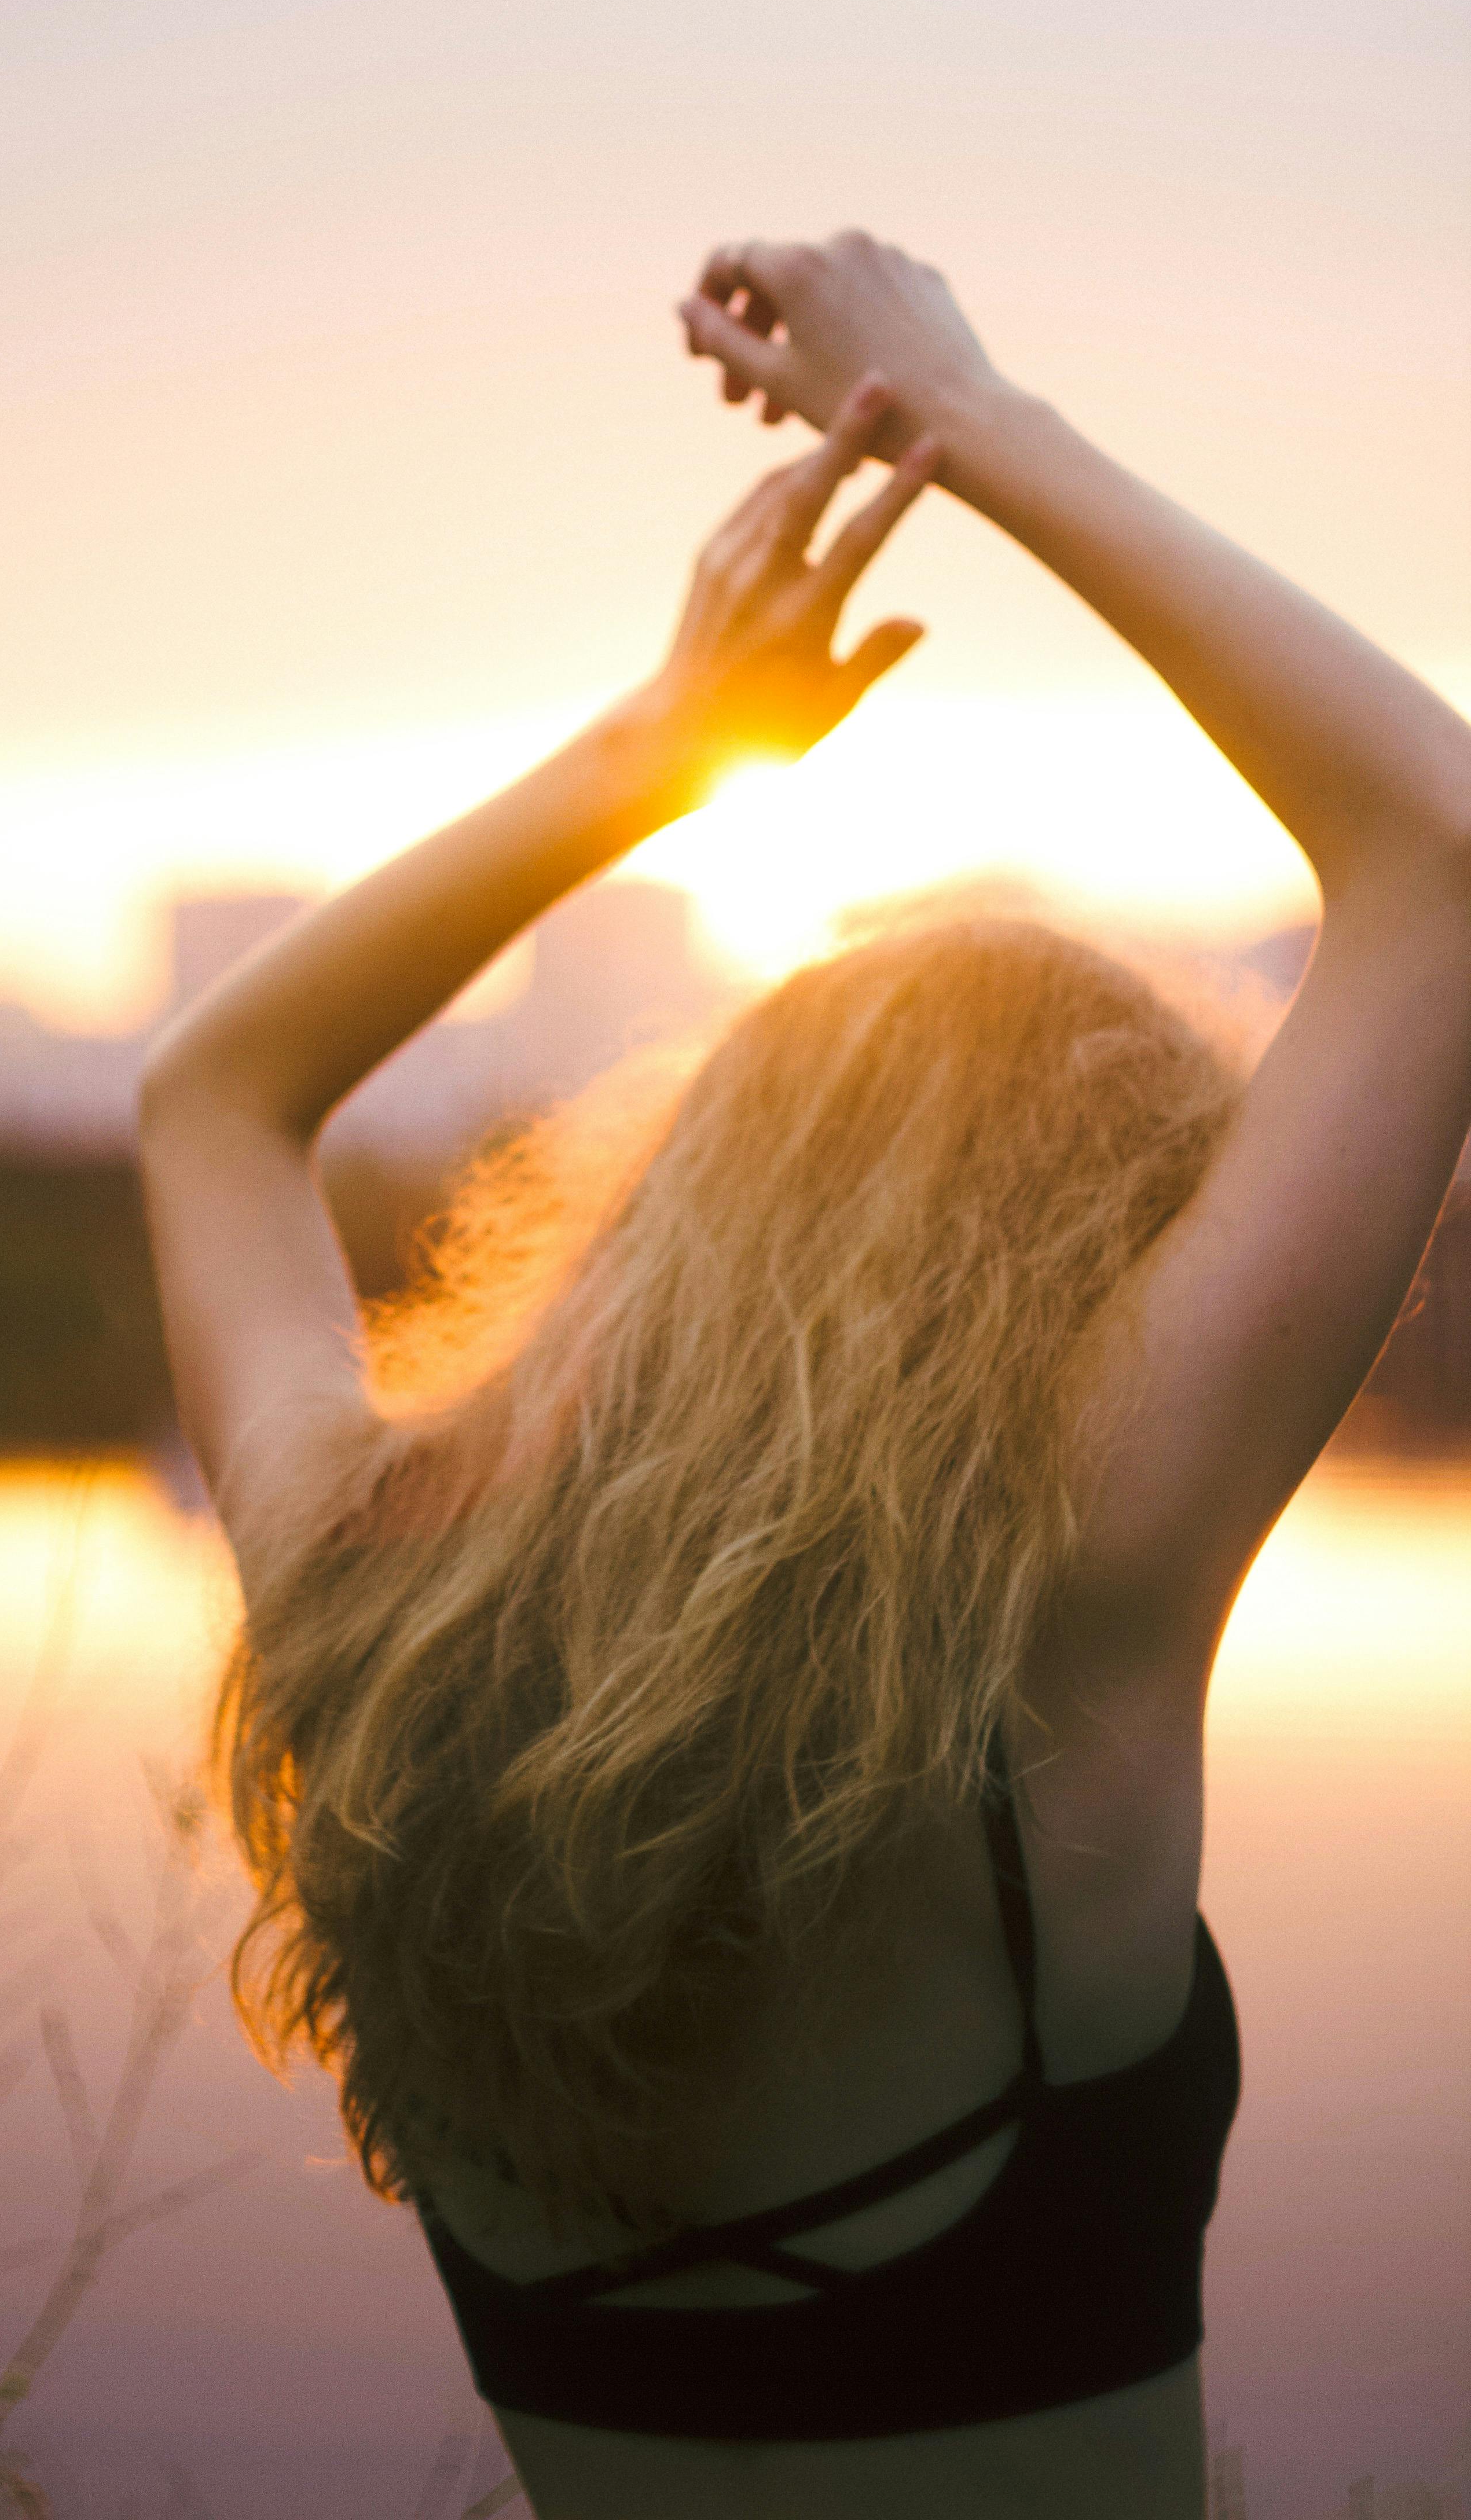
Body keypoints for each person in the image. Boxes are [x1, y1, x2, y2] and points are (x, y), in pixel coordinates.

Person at [135, 233, 1471, 2518]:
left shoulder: (370, 1603)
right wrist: (965, 411)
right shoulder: (1068, 1604)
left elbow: (211, 1103)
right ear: (1084, 1263)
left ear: (695, 1196)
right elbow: (1439, 852)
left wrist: (663, 748)